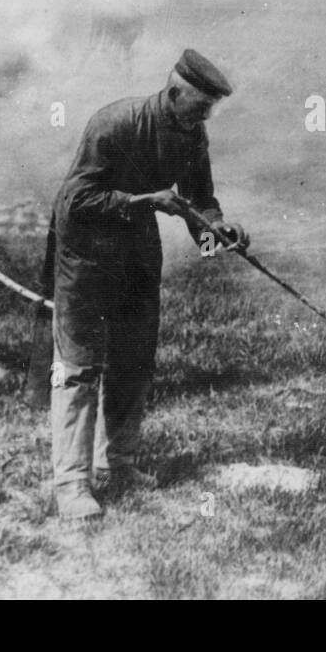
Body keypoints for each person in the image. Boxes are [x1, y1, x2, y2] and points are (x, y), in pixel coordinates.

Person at [49, 49, 249, 519]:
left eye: (210, 110)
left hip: (136, 254)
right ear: (175, 93)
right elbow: (75, 198)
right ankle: (72, 485)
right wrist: (146, 200)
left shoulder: (192, 136)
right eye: (201, 106)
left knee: (133, 361)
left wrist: (219, 234)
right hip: (86, 255)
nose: (206, 117)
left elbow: (201, 201)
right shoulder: (114, 123)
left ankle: (118, 464)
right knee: (78, 368)